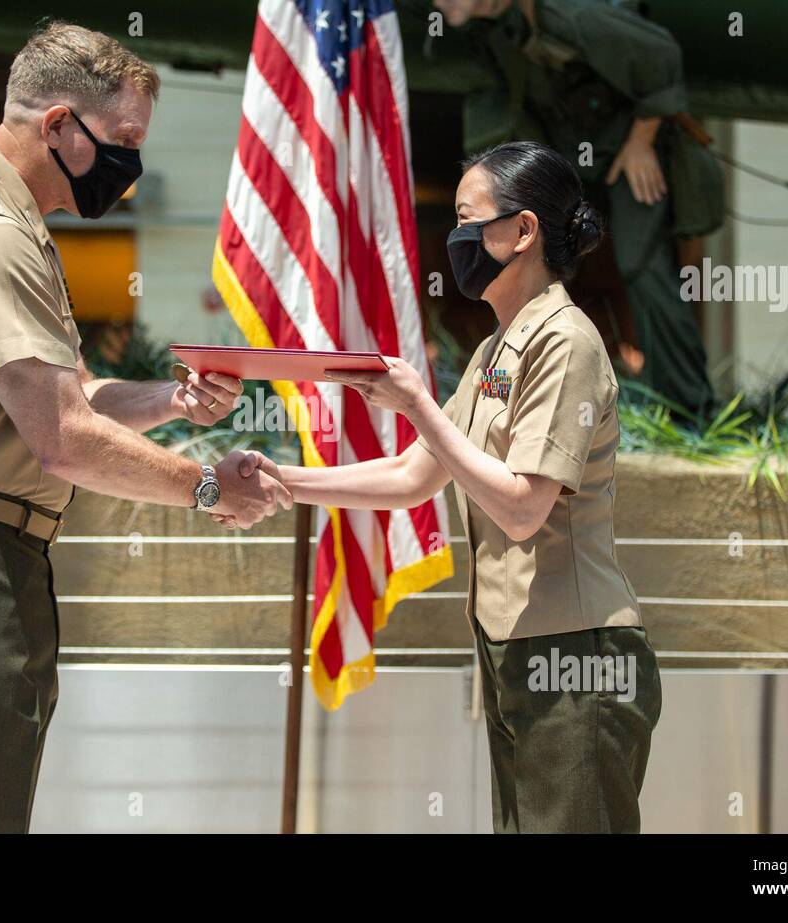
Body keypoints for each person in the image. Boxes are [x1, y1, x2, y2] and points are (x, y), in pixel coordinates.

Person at [0, 20, 291, 833]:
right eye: (120, 139)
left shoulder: (9, 224)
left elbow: (71, 397)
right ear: (58, 126)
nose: (130, 163)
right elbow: (62, 436)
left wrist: (172, 400)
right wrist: (204, 487)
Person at [235, 142, 662, 833]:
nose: (456, 239)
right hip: (514, 648)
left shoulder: (566, 341)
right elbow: (414, 474)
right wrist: (283, 481)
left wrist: (416, 404)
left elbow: (524, 506)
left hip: (576, 654)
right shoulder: (499, 350)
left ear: (522, 232)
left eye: (469, 220)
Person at [430, 0, 719, 419]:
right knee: (523, 262)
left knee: (643, 267)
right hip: (569, 160)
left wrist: (641, 142)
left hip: (630, 155)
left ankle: (689, 413)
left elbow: (661, 55)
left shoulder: (572, 14)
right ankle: (511, 400)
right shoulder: (494, 29)